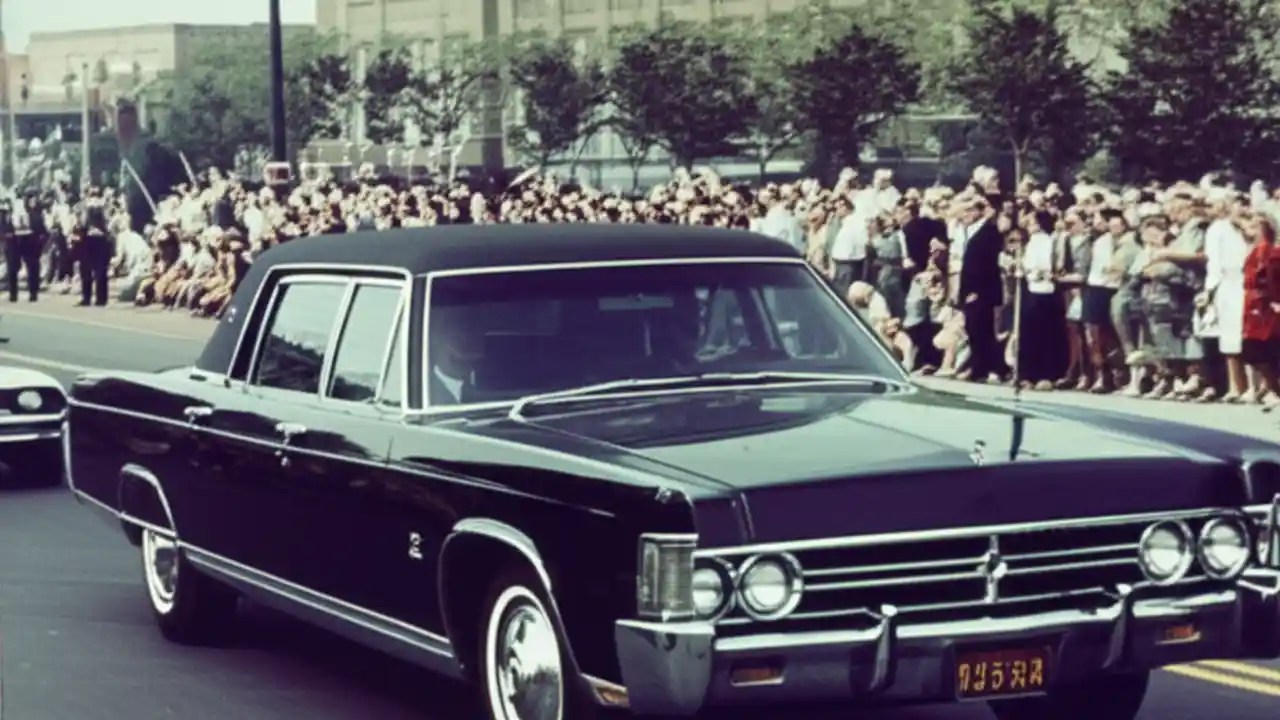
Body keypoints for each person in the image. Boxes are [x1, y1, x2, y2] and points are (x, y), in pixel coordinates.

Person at [958, 197, 1007, 382]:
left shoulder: (989, 232)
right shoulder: (969, 231)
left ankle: (992, 367)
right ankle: (978, 366)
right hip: (970, 287)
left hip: (981, 290)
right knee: (973, 329)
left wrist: (975, 290)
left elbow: (985, 265)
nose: (967, 214)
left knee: (982, 329)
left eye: (971, 211)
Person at [79, 188, 111, 307]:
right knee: (101, 269)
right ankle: (101, 298)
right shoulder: (104, 205)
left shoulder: (86, 205)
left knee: (86, 269)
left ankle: (86, 298)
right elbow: (107, 222)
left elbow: (83, 222)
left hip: (89, 237)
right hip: (101, 238)